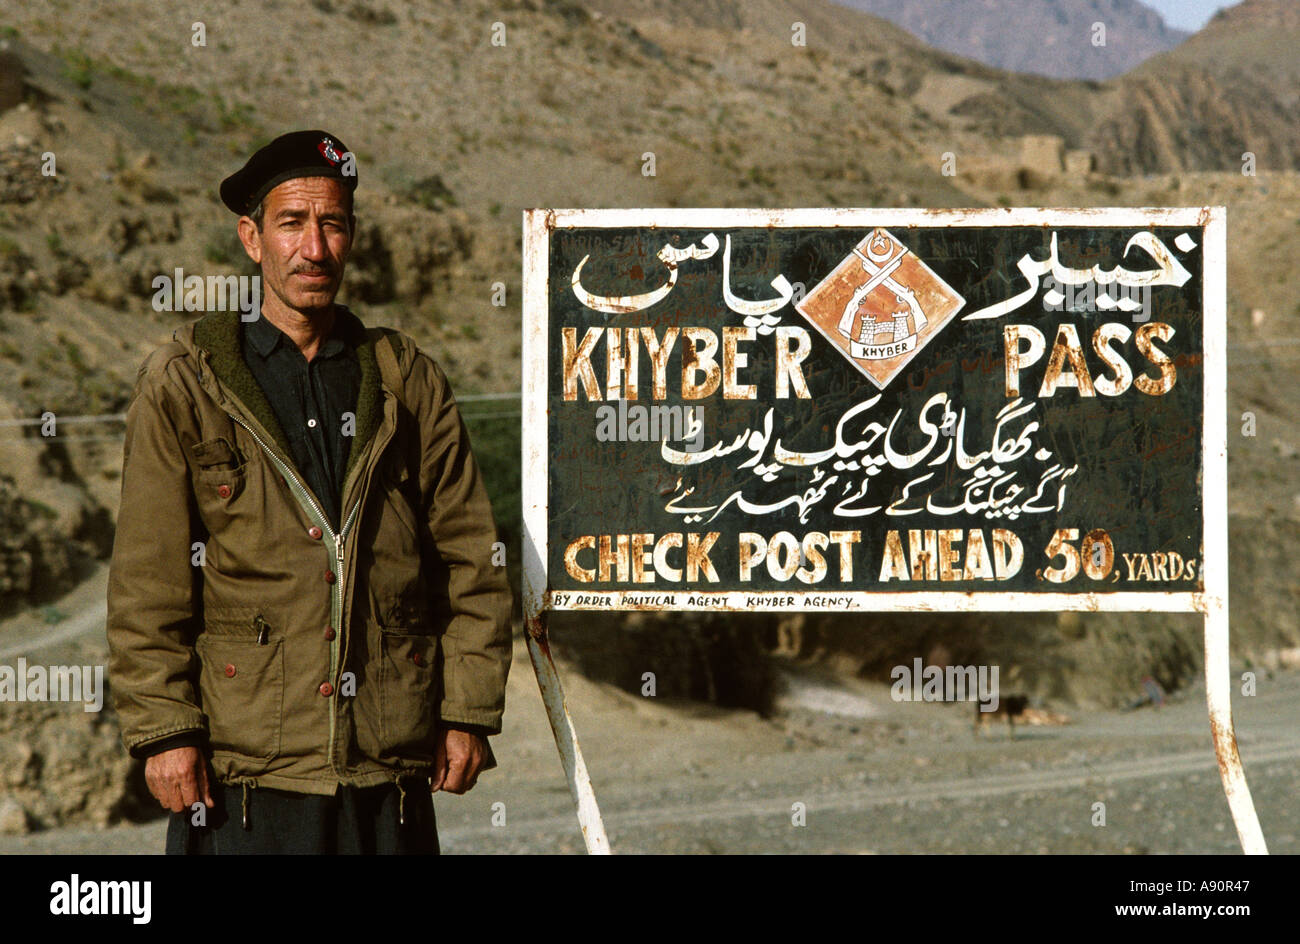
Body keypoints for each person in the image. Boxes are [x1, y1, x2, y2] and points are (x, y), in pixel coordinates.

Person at [106, 129, 512, 853]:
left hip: (386, 767)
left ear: (352, 237)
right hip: (244, 776)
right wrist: (164, 731)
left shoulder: (405, 379)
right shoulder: (186, 381)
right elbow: (148, 580)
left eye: (332, 225)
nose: (314, 249)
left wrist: (469, 710)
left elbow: (473, 560)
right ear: (251, 238)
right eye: (292, 224)